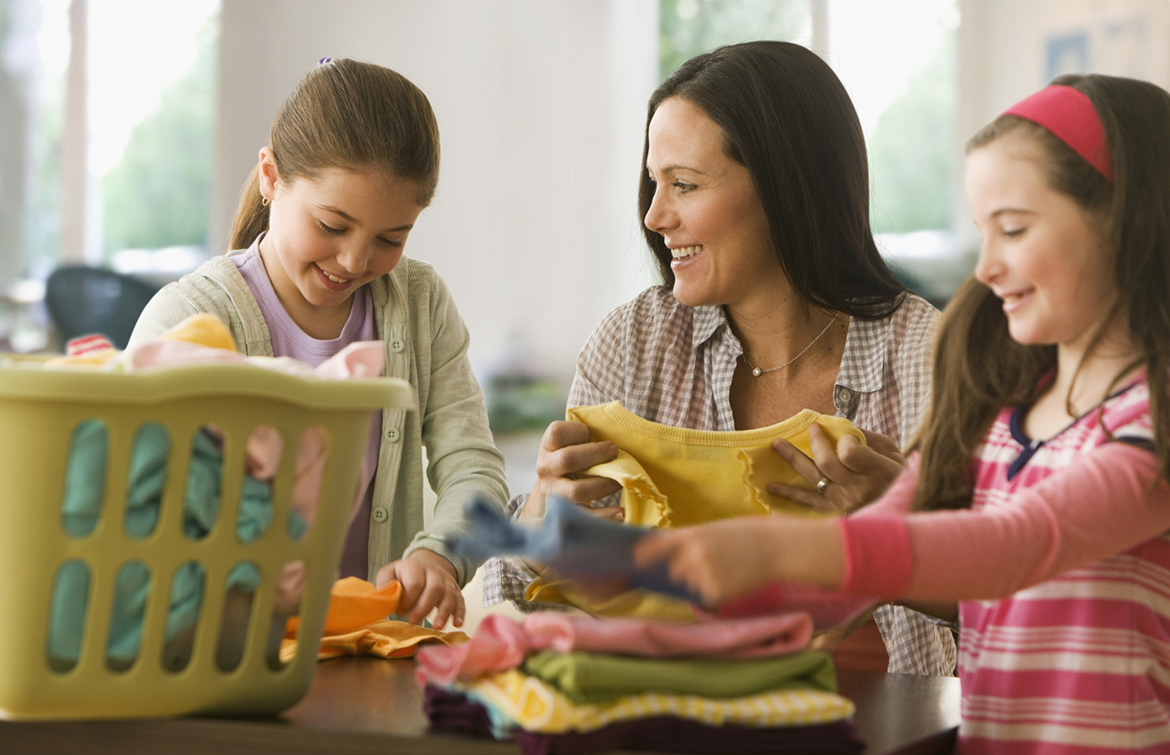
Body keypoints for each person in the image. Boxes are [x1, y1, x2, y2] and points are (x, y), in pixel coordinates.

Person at [635, 74, 1170, 755]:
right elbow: (856, 576)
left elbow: (1016, 545)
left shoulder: (1149, 423)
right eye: (982, 233)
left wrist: (776, 550)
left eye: (1013, 228)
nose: (985, 266)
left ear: (1123, 219)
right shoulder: (999, 408)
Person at [484, 41, 956, 677]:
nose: (654, 216)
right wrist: (542, 521)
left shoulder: (930, 360)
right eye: (654, 184)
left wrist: (899, 550)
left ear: (788, 187)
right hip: (668, 732)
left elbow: (1035, 604)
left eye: (685, 185)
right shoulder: (633, 345)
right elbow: (512, 595)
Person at [130, 57, 509, 631]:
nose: (355, 260)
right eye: (333, 226)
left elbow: (473, 465)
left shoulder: (421, 303)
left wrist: (440, 555)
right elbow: (140, 511)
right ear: (270, 176)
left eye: (390, 238)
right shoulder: (192, 317)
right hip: (226, 653)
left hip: (373, 649)